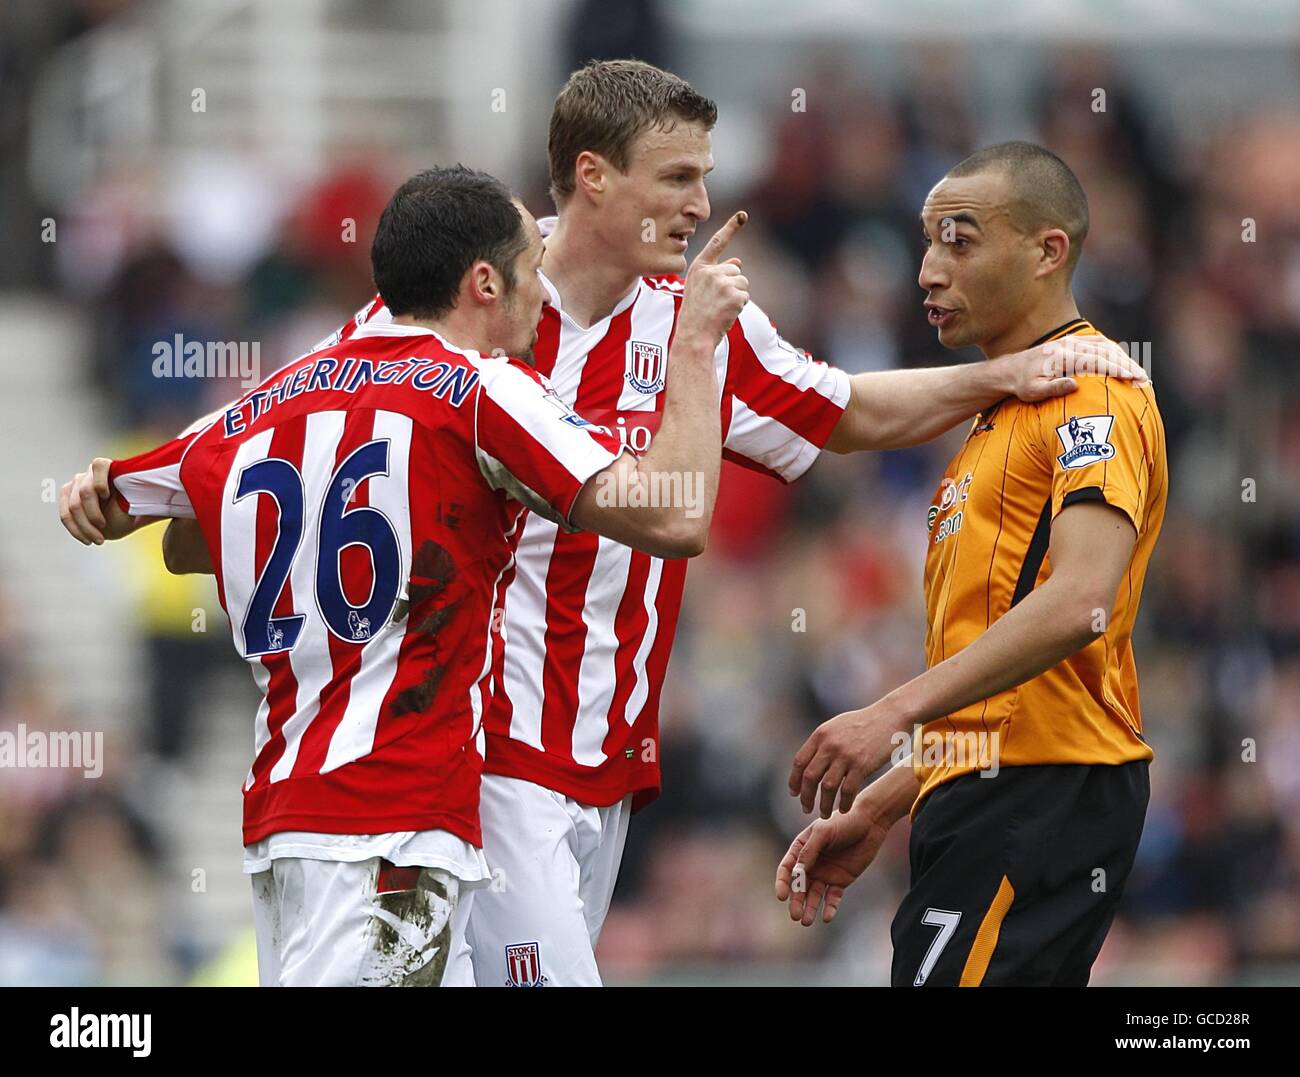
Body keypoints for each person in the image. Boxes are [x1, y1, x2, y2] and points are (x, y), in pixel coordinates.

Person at [74, 61, 1147, 988]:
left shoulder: (696, 316)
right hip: (486, 755)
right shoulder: (463, 313)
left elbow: (847, 411)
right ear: (594, 176)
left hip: (602, 765)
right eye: (677, 177)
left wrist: (1007, 373)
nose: (700, 204)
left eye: (704, 177)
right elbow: (312, 444)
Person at [59, 164, 749, 986]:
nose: (545, 296)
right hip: (390, 821)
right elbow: (673, 516)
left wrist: (90, 494)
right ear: (484, 283)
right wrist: (698, 342)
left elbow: (135, 510)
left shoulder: (273, 396)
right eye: (534, 271)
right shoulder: (481, 388)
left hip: (287, 817)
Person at [776, 142, 1167, 987]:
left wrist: (889, 712)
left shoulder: (1093, 390)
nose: (927, 270)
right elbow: (1013, 682)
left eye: (959, 241)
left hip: (1043, 792)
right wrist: (891, 795)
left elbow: (1080, 603)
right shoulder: (1000, 410)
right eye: (926, 243)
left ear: (1046, 250)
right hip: (991, 784)